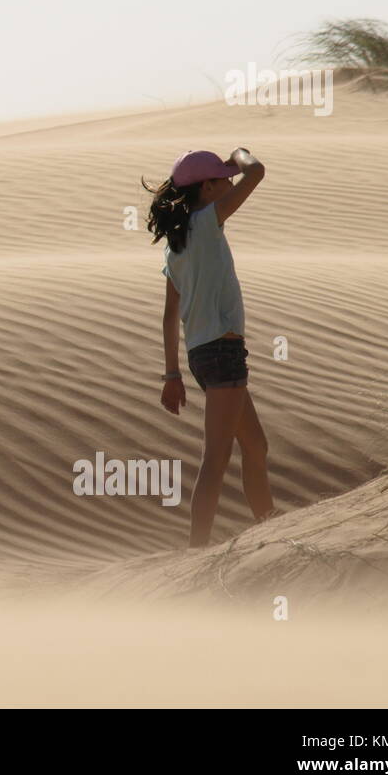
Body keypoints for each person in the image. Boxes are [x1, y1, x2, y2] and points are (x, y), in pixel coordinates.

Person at [143, 148, 274, 547]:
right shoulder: (206, 220)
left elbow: (170, 315)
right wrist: (239, 154)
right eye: (223, 177)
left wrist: (172, 374)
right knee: (216, 457)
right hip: (221, 351)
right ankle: (197, 551)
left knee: (256, 446)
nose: (231, 182)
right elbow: (257, 172)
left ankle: (269, 529)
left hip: (203, 356)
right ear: (207, 186)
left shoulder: (175, 246)